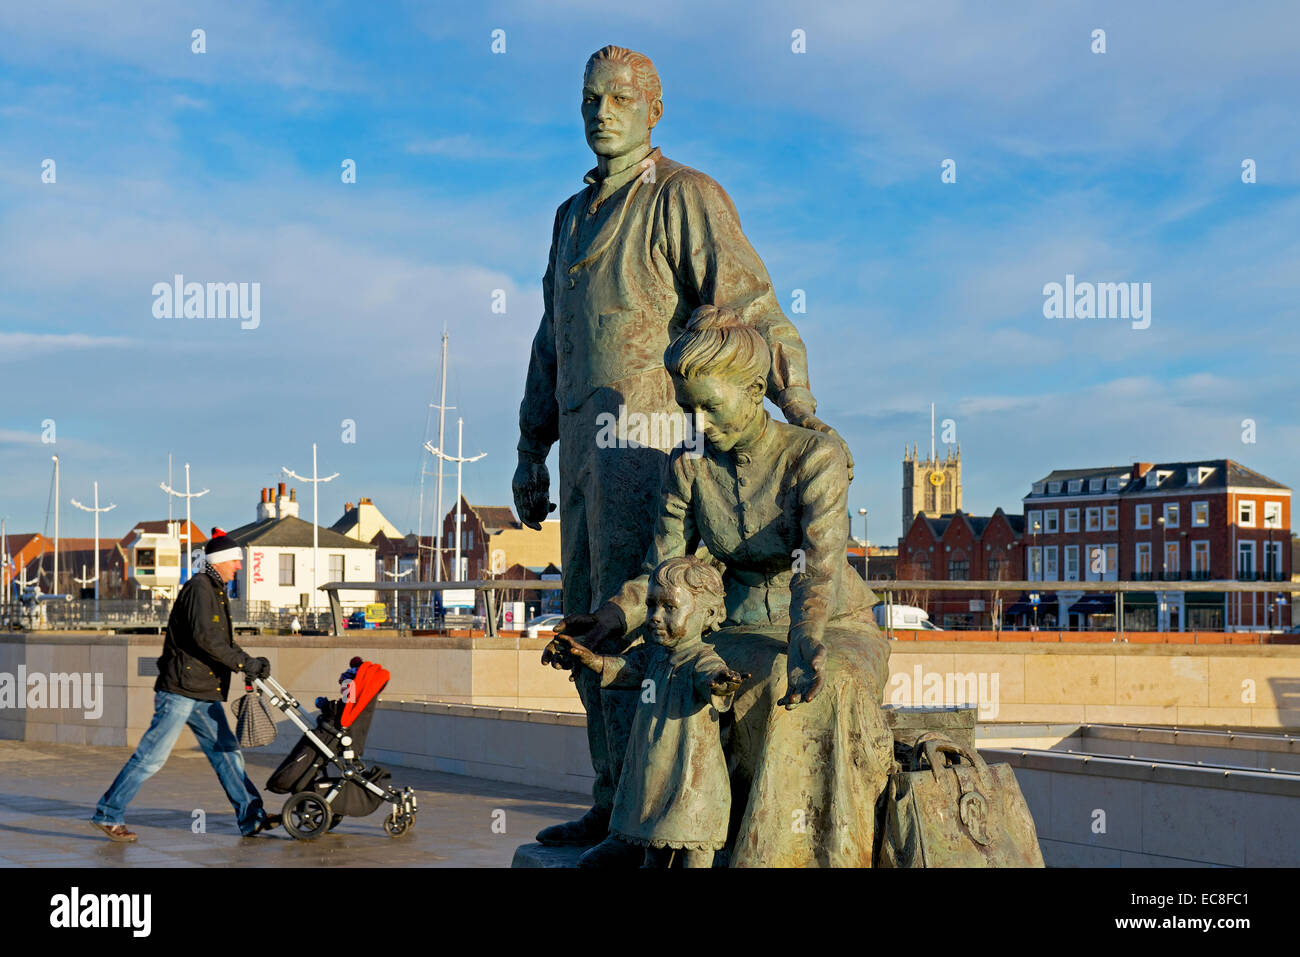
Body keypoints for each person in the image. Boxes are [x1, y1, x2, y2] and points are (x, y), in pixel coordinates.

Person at [515, 44, 846, 867]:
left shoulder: (683, 197)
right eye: (591, 97)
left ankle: (647, 816)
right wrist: (531, 449)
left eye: (622, 98)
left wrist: (795, 401)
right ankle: (608, 803)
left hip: (656, 444)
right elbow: (552, 341)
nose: (603, 110)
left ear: (653, 110)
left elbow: (750, 302)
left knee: (648, 622)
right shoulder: (569, 217)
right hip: (584, 456)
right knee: (592, 622)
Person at [549, 306, 894, 866]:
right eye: (689, 410)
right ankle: (646, 834)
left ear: (755, 388)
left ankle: (783, 855)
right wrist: (609, 620)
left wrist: (807, 637)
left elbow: (818, 564)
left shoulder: (813, 456)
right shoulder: (688, 468)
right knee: (668, 668)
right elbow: (663, 569)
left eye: (711, 405)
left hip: (830, 624)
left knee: (808, 685)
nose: (701, 424)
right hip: (736, 625)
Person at [552, 556, 747, 867]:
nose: (655, 617)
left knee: (694, 846)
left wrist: (720, 684)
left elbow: (711, 678)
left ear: (709, 614)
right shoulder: (651, 656)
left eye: (669, 608)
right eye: (652, 605)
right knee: (652, 845)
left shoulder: (700, 659)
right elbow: (623, 668)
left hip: (689, 776)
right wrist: (589, 658)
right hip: (654, 772)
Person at [90, 533, 278, 841]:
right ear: (220, 561)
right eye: (236, 560)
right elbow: (207, 640)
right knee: (152, 756)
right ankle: (107, 813)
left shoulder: (214, 590)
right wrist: (245, 665)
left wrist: (249, 661)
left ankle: (252, 817)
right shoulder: (200, 590)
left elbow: (223, 642)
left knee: (227, 753)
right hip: (180, 689)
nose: (239, 567)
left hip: (201, 689)